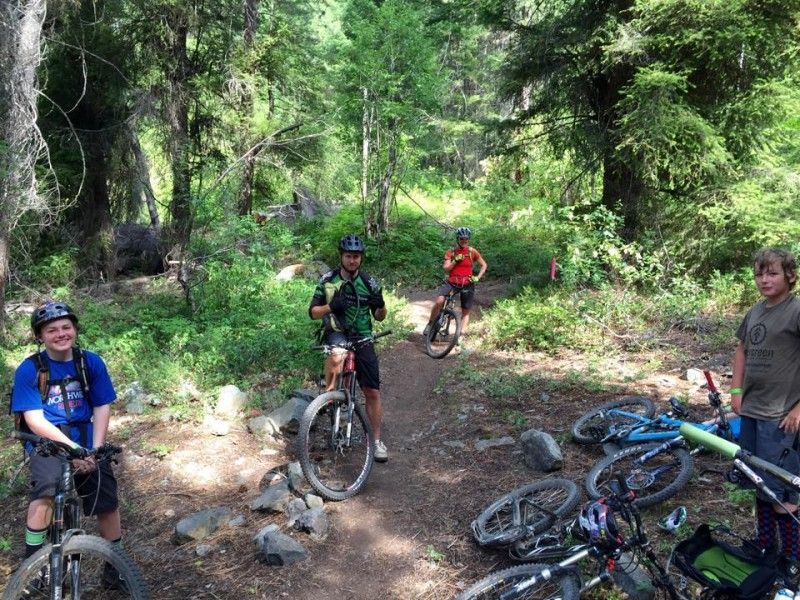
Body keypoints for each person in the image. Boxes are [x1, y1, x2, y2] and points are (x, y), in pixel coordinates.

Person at [11, 301, 127, 588]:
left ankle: (117, 567)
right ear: (40, 336)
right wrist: (72, 450)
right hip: (46, 441)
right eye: (52, 330)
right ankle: (33, 569)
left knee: (106, 500)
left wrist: (95, 450)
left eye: (66, 327)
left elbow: (101, 406)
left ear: (75, 329)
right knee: (46, 491)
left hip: (86, 439)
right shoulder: (30, 369)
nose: (61, 334)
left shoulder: (90, 362)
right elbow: (35, 419)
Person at [729, 248, 800, 562]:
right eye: (759, 274)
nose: (764, 280)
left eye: (772, 273)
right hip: (752, 411)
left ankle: (792, 556)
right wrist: (736, 389)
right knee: (758, 482)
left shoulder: (796, 310)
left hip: (781, 417)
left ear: (789, 275)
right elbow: (741, 350)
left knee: (783, 493)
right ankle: (765, 545)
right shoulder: (755, 312)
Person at [308, 234, 390, 462]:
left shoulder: (369, 283)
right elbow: (313, 313)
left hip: (363, 336)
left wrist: (380, 304)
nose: (352, 261)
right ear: (341, 257)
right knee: (337, 354)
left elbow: (380, 317)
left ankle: (376, 441)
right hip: (337, 332)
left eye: (356, 257)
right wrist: (331, 306)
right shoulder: (328, 280)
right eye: (348, 256)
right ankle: (328, 398)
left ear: (361, 258)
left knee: (372, 391)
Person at [424, 226, 488, 338]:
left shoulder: (472, 252)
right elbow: (446, 268)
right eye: (461, 238)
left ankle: (461, 336)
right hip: (452, 282)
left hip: (467, 283)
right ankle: (430, 323)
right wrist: (454, 261)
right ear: (457, 239)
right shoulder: (451, 252)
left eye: (466, 239)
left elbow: (484, 265)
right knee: (439, 301)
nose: (464, 241)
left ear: (469, 239)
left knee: (466, 311)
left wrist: (477, 277)